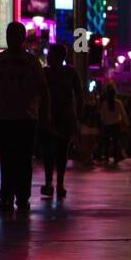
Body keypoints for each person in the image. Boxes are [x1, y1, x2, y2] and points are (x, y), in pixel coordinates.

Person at [0, 22, 50, 213]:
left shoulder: (22, 61)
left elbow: (43, 89)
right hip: (11, 116)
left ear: (22, 37)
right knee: (14, 159)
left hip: (21, 117)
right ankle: (12, 197)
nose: (12, 38)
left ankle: (17, 197)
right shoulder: (17, 61)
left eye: (14, 34)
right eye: (10, 34)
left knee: (18, 159)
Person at [41, 44, 83, 199]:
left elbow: (79, 95)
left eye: (51, 54)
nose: (48, 57)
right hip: (49, 116)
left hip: (64, 118)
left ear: (59, 57)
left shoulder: (69, 72)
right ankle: (50, 182)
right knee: (49, 152)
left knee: (60, 151)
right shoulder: (45, 72)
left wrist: (79, 115)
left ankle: (58, 183)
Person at [99, 84, 128, 166]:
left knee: (106, 143)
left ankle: (106, 158)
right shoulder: (118, 103)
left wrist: (103, 123)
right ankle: (116, 158)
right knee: (116, 142)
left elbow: (102, 116)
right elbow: (123, 114)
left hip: (107, 125)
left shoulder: (105, 104)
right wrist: (127, 123)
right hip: (116, 125)